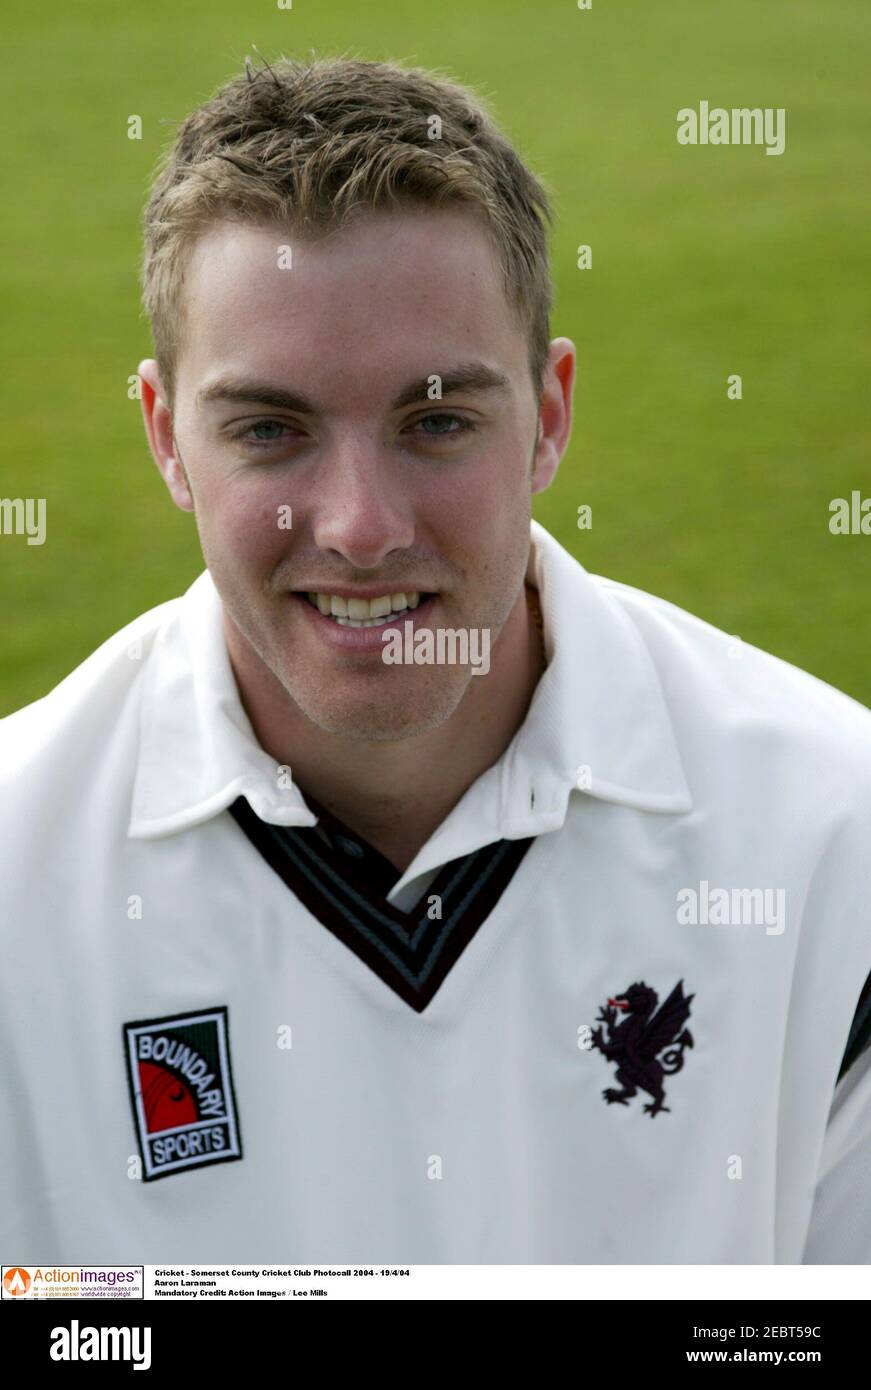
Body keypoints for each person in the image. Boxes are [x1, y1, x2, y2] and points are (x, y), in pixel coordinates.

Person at [1, 54, 870, 1266]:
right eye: (269, 429)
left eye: (436, 421)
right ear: (167, 438)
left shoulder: (836, 840)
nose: (359, 527)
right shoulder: (14, 872)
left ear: (550, 416)